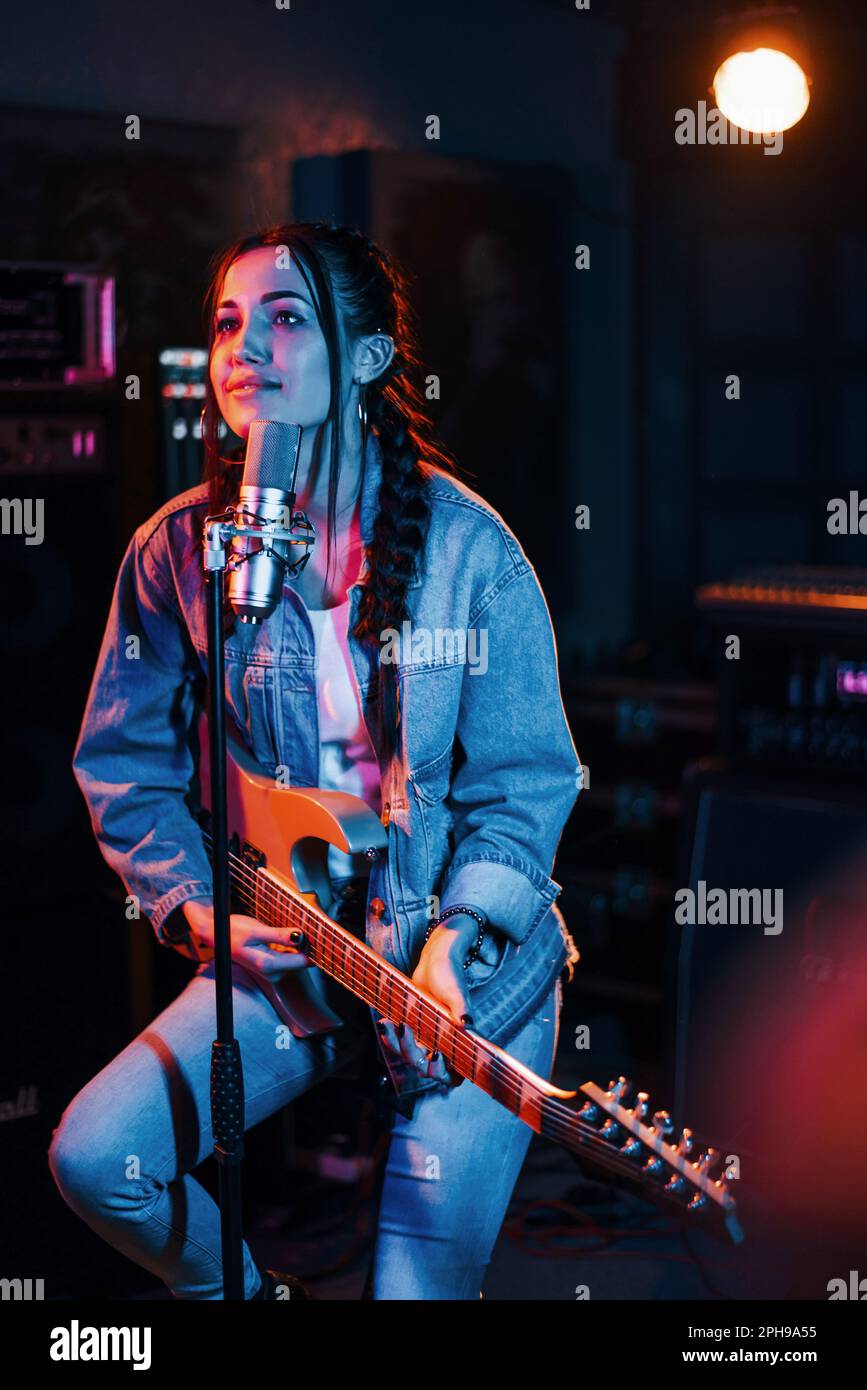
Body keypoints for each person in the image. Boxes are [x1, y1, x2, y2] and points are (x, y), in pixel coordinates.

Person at [48, 222, 583, 1300]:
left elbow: (524, 785)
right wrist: (200, 915)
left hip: (457, 974)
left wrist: (455, 940)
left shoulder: (472, 551)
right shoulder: (176, 551)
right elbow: (124, 760)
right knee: (98, 1161)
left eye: (286, 318)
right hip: (292, 953)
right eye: (229, 321)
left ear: (373, 356)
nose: (247, 346)